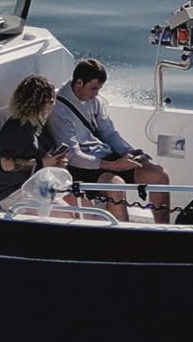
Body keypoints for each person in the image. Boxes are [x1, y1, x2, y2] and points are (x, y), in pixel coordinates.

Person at [47, 58, 171, 226]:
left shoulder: (93, 100)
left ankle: (163, 229)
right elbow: (73, 156)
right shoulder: (59, 110)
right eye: (94, 88)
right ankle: (123, 240)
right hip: (82, 166)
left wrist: (131, 154)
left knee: (158, 174)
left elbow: (109, 133)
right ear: (79, 83)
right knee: (117, 186)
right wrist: (113, 166)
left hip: (104, 156)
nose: (96, 94)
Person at [0, 75, 70, 206]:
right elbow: (7, 164)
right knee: (67, 214)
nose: (53, 104)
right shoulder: (16, 127)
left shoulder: (38, 123)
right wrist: (42, 162)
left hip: (35, 183)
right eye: (50, 101)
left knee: (80, 201)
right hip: (14, 191)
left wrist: (54, 160)